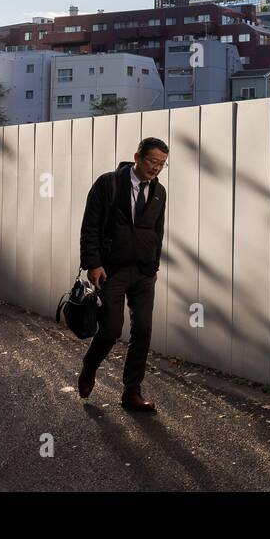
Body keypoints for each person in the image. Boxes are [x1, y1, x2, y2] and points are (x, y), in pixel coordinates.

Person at [76, 137, 169, 411]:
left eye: (162, 164)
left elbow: (157, 232)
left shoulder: (159, 192)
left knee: (143, 331)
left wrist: (154, 267)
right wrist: (93, 264)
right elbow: (90, 226)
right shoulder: (109, 183)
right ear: (137, 157)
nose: (157, 168)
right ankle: (89, 366)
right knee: (111, 330)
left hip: (143, 272)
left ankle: (132, 392)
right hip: (111, 270)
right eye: (153, 161)